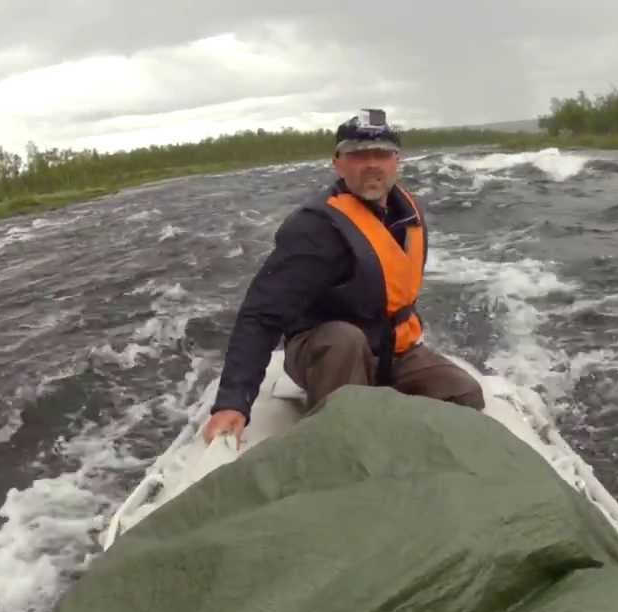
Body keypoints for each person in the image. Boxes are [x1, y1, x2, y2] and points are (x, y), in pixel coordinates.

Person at [203, 108, 486, 445]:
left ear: (397, 161)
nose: (371, 164)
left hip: (389, 349)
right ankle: (336, 436)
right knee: (345, 340)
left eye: (381, 154)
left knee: (464, 395)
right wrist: (234, 401)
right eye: (357, 155)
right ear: (338, 163)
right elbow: (262, 314)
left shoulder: (407, 213)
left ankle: (393, 426)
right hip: (324, 352)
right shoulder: (314, 228)